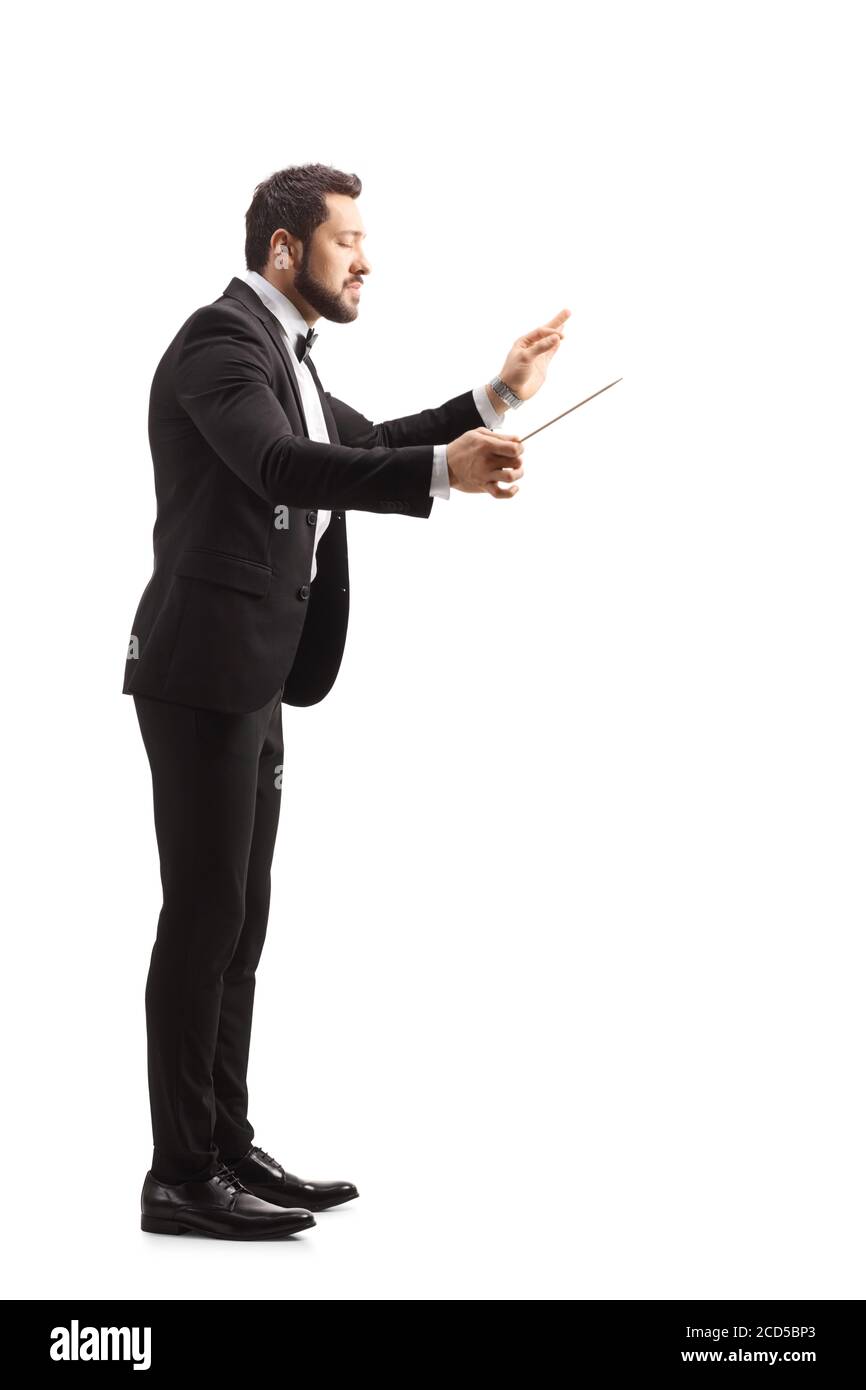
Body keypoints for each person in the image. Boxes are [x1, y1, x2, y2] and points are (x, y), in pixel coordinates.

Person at [124, 161, 568, 1239]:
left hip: (255, 673)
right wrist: (438, 475)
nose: (364, 259)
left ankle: (224, 1143)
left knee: (241, 920)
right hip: (196, 675)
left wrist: (496, 396)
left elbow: (355, 442)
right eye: (345, 241)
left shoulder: (284, 353)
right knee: (203, 919)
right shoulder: (219, 346)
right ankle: (178, 1175)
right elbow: (280, 465)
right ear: (285, 250)